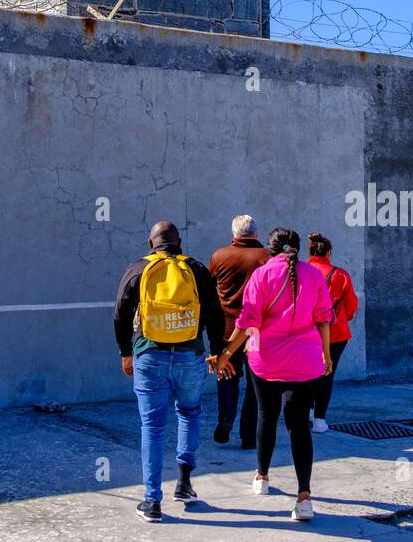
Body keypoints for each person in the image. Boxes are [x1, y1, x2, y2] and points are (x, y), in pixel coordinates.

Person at [217, 227, 333, 522]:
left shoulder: (261, 276)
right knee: (298, 427)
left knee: (266, 416)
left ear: (269, 251)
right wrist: (327, 355)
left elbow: (247, 323)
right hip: (305, 363)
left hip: (265, 360)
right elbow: (322, 320)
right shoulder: (314, 275)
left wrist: (225, 354)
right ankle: (304, 497)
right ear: (297, 249)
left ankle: (262, 477)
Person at [114, 220, 225, 523]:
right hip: (190, 354)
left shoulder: (138, 268)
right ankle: (184, 484)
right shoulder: (197, 268)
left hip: (149, 355)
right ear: (180, 242)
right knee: (189, 413)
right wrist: (217, 351)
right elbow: (215, 313)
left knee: (153, 426)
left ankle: (152, 501)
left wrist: (126, 352)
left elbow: (120, 313)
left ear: (151, 244)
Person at [207, 215, 269, 447]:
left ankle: (226, 419)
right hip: (255, 333)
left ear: (234, 235)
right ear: (256, 234)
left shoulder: (219, 256)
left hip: (226, 331)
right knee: (255, 384)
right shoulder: (266, 257)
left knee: (226, 375)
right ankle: (249, 434)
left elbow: (207, 289)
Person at [306, 232, 359, 432]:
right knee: (327, 373)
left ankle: (308, 410)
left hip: (307, 331)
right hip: (336, 332)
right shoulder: (341, 274)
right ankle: (320, 420)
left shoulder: (302, 271)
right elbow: (352, 306)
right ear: (329, 252)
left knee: (307, 372)